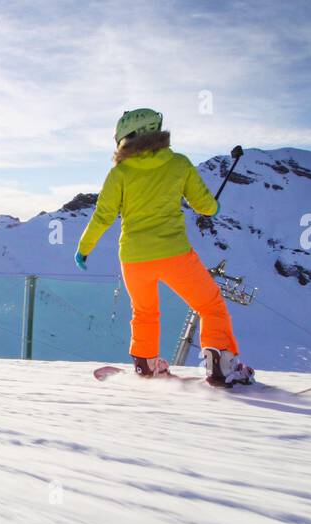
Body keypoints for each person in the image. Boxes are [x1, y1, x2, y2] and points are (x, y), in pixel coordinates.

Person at [76, 107, 252, 388]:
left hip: (133, 258)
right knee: (210, 306)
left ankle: (146, 365)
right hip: (174, 253)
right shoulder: (179, 164)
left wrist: (84, 248)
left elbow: (103, 216)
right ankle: (221, 365)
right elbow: (205, 206)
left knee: (144, 311)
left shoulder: (120, 173)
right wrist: (214, 207)